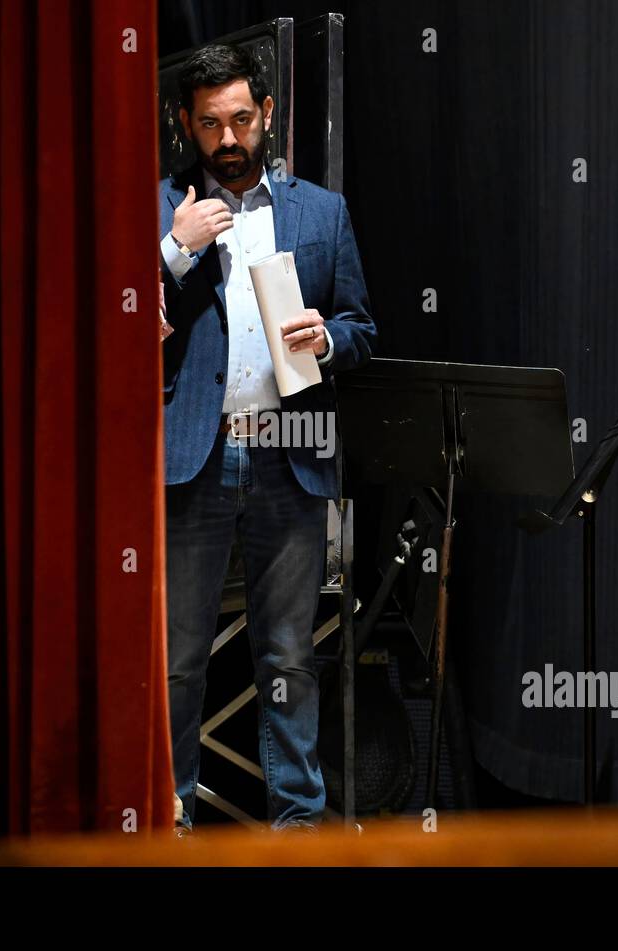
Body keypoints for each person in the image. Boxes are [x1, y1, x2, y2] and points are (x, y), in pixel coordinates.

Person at [157, 42, 376, 834]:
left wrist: (330, 339)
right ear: (186, 123)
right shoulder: (156, 208)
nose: (228, 139)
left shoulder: (322, 212)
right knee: (179, 663)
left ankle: (298, 835)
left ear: (269, 116)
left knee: (288, 659)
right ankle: (169, 823)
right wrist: (176, 249)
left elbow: (362, 326)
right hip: (193, 464)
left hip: (291, 459)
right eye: (210, 123)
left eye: (242, 119)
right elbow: (114, 324)